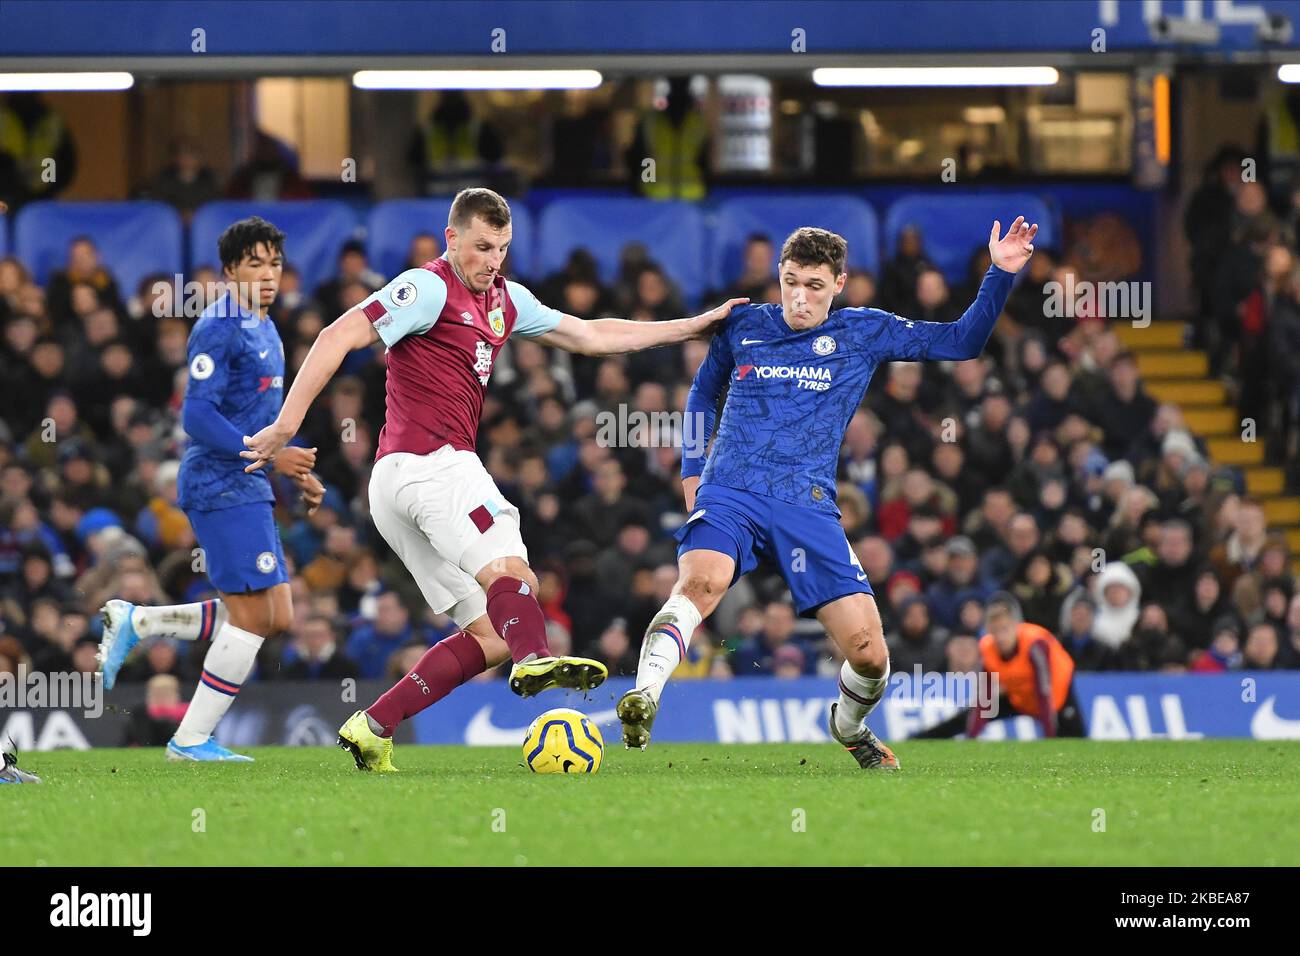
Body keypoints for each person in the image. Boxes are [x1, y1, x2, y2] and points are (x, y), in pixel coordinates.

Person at [239, 187, 745, 772]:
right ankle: (536, 659)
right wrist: (284, 425)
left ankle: (373, 724)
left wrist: (693, 327)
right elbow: (337, 335)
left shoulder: (507, 300)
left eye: (501, 248)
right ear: (451, 239)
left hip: (395, 487)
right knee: (512, 572)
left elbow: (589, 335)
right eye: (481, 247)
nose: (491, 260)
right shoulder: (428, 287)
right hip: (433, 464)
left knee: (489, 635)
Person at [616, 216, 1038, 770]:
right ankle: (644, 696)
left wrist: (999, 274)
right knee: (701, 581)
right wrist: (693, 468)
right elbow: (702, 393)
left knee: (869, 655)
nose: (799, 295)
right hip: (732, 491)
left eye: (814, 285)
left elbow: (962, 342)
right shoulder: (743, 324)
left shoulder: (864, 332)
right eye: (790, 280)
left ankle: (847, 724)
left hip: (806, 506)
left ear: (838, 285)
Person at [96, 217, 325, 762]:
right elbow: (197, 417)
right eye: (255, 264)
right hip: (220, 484)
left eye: (274, 263)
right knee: (252, 617)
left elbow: (256, 418)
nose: (268, 275)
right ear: (229, 271)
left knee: (279, 615)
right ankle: (190, 739)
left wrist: (292, 466)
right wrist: (272, 455)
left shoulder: (266, 325)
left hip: (248, 481)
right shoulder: (219, 326)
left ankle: (140, 620)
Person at [912, 592, 1084, 739]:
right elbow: (984, 701)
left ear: (1016, 626)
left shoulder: (1035, 644)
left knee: (1074, 736)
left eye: (1005, 629)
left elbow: (1044, 691)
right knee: (966, 716)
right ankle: (920, 739)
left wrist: (1048, 737)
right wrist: (971, 739)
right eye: (996, 631)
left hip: (1057, 695)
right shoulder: (987, 648)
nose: (1001, 638)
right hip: (1020, 696)